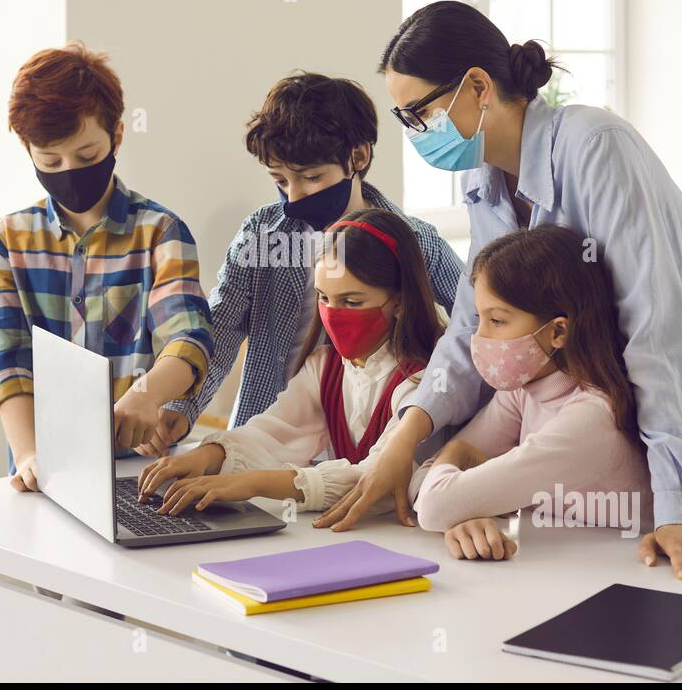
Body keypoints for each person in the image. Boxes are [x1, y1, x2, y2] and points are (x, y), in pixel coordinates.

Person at [318, 0, 682, 583]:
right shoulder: (485, 178)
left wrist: (681, 506)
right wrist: (410, 431)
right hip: (627, 411)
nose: (418, 136)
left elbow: (658, 327)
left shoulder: (595, 147)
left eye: (419, 114)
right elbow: (474, 323)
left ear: (477, 87)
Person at [140, 72, 463, 457]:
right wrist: (183, 403)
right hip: (264, 439)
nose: (294, 197)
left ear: (357, 157)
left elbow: (469, 328)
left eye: (311, 178)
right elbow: (222, 327)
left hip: (371, 447)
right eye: (280, 180)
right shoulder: (262, 233)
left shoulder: (415, 240)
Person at [412, 226, 682, 571]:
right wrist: (468, 511)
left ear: (558, 331)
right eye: (480, 319)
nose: (480, 337)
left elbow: (434, 504)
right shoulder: (525, 393)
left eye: (498, 321)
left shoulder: (593, 418)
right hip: (571, 577)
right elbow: (427, 484)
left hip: (645, 586)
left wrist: (460, 497)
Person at [0, 42, 214, 491]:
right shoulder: (9, 238)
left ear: (117, 136)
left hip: (136, 474)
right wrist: (29, 453)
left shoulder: (160, 233)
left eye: (87, 156)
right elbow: (8, 359)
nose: (69, 171)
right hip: (40, 473)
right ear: (27, 149)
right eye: (50, 161)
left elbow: (188, 338)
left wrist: (146, 396)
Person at [136, 209, 444, 516]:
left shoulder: (424, 383)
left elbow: (375, 478)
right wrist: (208, 454)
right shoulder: (326, 366)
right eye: (324, 298)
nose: (333, 314)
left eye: (352, 302)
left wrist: (252, 484)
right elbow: (274, 432)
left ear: (400, 301)